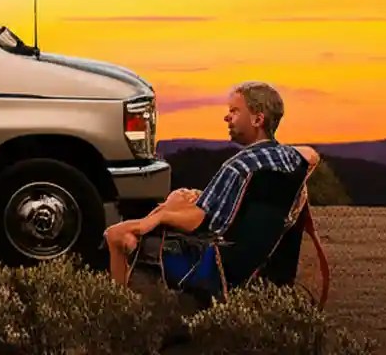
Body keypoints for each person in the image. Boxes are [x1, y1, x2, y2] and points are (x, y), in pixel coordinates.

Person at [103, 81, 319, 287]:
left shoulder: (238, 167)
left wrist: (162, 214)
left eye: (235, 111)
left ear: (257, 119)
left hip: (213, 266)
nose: (227, 117)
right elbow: (311, 154)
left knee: (119, 235)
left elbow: (199, 222)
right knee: (175, 203)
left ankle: (121, 303)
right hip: (255, 264)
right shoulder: (293, 162)